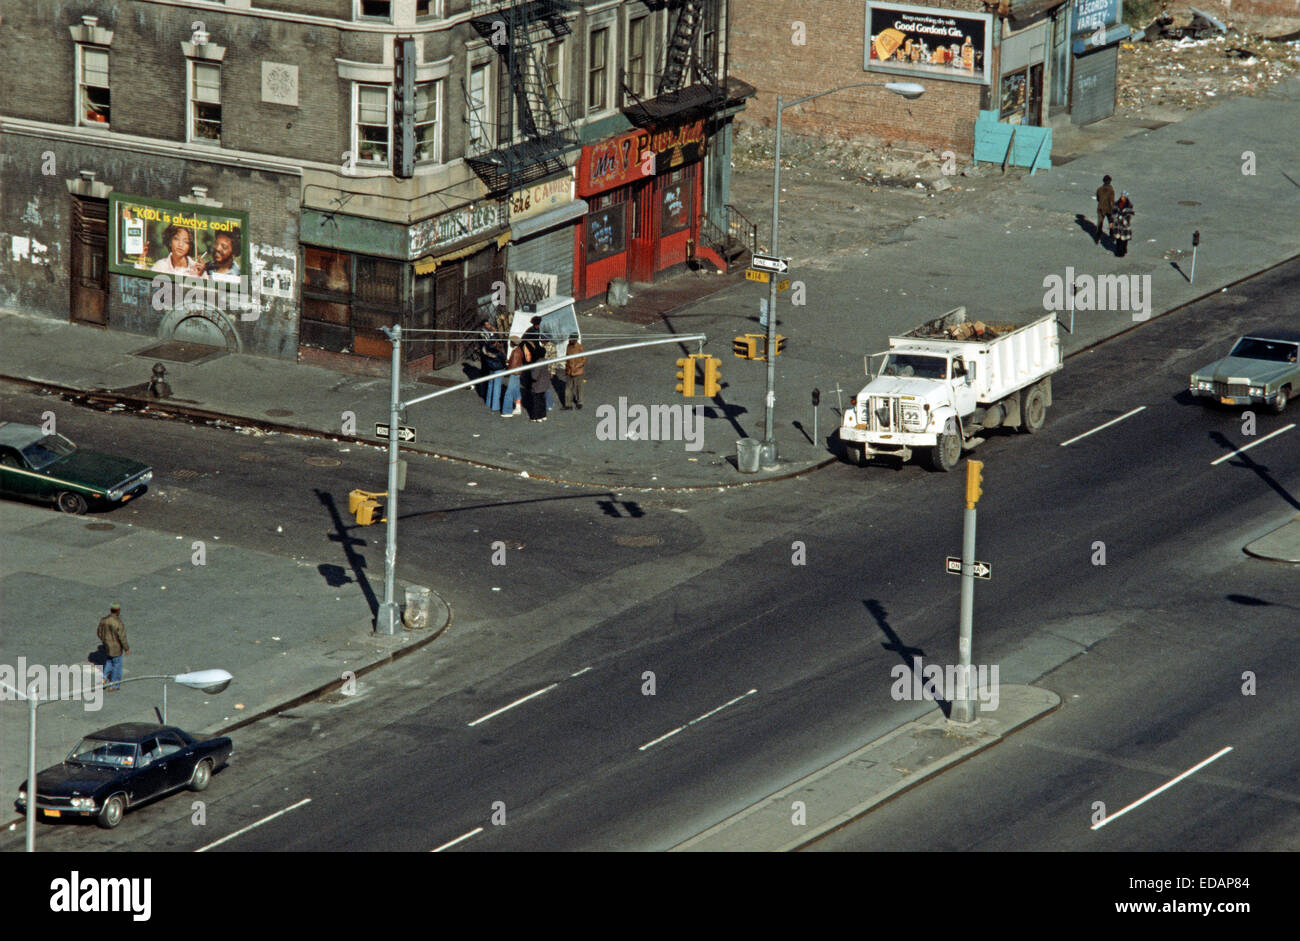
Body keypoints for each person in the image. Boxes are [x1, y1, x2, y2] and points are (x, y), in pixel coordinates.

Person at [96, 603, 130, 692]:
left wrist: (105, 641)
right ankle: (114, 685)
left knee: (108, 662)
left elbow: (99, 633)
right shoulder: (118, 623)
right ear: (118, 611)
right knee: (117, 666)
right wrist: (126, 648)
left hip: (107, 647)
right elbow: (122, 637)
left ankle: (103, 679)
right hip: (116, 648)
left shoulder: (103, 620)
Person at [479, 318, 505, 412]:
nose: (489, 326)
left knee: (490, 383)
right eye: (487, 324)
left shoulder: (489, 345)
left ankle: (488, 401)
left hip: (490, 363)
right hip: (495, 365)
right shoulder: (482, 334)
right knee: (496, 385)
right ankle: (495, 406)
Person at [501, 336, 526, 418]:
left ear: (513, 342)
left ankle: (507, 411)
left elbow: (513, 365)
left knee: (509, 392)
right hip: (518, 372)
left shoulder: (515, 352)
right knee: (516, 390)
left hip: (514, 373)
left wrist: (506, 373)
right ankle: (518, 408)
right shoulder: (519, 350)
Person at [527, 340, 550, 422]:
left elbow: (534, 376)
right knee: (542, 401)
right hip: (544, 385)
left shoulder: (537, 363)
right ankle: (543, 415)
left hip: (537, 386)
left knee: (536, 402)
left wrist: (531, 372)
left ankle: (536, 417)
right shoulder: (545, 361)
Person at [564, 334, 587, 410]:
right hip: (569, 371)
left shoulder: (580, 347)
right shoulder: (568, 346)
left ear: (575, 340)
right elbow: (567, 357)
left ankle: (580, 402)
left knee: (578, 387)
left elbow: (584, 359)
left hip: (578, 371)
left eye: (571, 339)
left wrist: (577, 366)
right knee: (568, 388)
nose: (569, 340)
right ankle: (568, 404)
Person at [1112, 191, 1134, 257]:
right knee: (1118, 239)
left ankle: (1123, 251)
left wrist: (1124, 217)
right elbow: (1113, 212)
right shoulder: (1116, 203)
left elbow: (1130, 213)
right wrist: (1115, 217)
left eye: (1123, 196)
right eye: (1121, 196)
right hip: (1118, 224)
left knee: (1124, 240)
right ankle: (1118, 251)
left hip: (1124, 225)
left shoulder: (1129, 205)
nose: (1122, 197)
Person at [1095, 175, 1115, 244]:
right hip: (1109, 208)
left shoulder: (1099, 189)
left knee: (1100, 223)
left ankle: (1097, 238)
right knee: (1111, 221)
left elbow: (1098, 198)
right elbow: (1112, 200)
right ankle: (1112, 235)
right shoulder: (1111, 190)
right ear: (1110, 181)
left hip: (1101, 208)